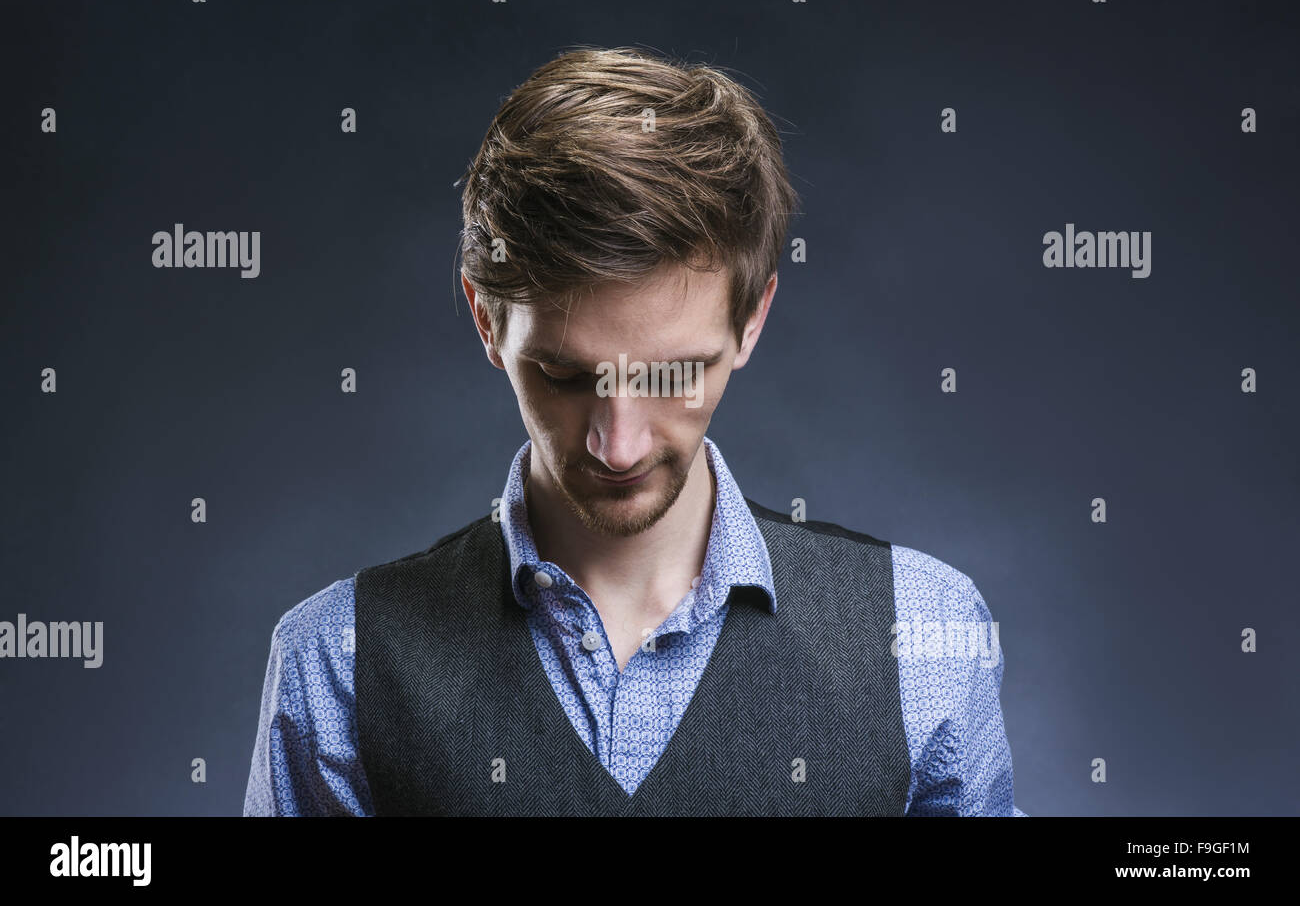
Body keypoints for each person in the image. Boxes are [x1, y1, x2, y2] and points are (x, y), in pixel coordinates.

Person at [243, 45, 1025, 816]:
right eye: (565, 374)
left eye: (671, 375)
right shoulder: (336, 663)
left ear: (752, 321)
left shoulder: (922, 636)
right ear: (486, 320)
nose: (618, 444)